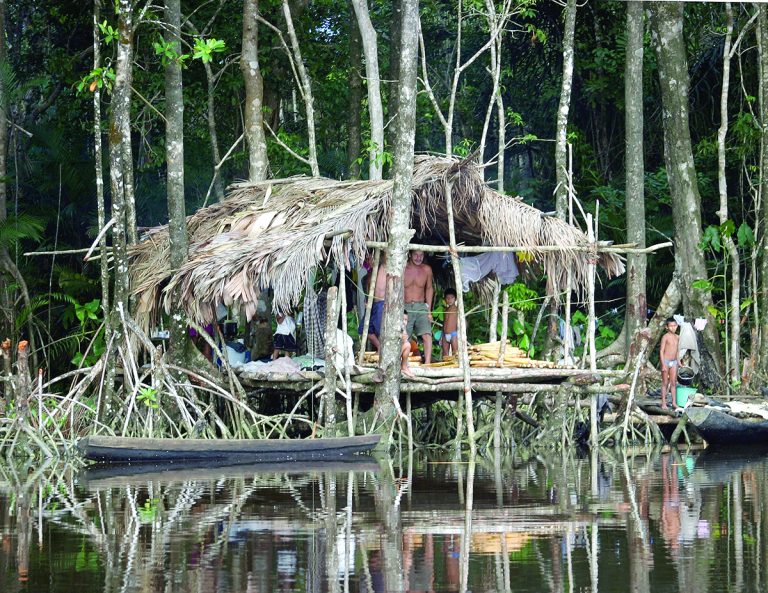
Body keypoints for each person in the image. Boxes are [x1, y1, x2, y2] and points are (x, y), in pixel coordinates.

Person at [404, 249, 435, 364]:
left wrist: (429, 310)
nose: (418, 257)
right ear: (410, 255)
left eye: (421, 255)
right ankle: (403, 363)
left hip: (421, 306)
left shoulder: (427, 270)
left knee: (427, 334)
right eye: (416, 255)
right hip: (405, 306)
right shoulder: (403, 268)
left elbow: (429, 288)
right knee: (404, 336)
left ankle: (427, 364)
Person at [359, 253, 387, 352]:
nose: (368, 261)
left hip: (381, 303)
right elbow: (368, 291)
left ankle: (384, 350)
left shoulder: (383, 267)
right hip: (371, 305)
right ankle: (380, 347)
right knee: (363, 328)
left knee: (380, 329)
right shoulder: (367, 276)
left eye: (370, 258)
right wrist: (366, 302)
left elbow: (385, 256)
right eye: (366, 259)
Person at [660, 317, 680, 411]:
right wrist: (663, 364)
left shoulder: (678, 337)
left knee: (673, 383)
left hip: (674, 362)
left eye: (674, 325)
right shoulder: (665, 337)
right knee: (665, 382)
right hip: (666, 361)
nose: (673, 328)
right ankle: (663, 403)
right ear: (666, 327)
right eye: (671, 326)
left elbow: (678, 351)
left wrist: (679, 361)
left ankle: (674, 402)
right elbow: (661, 351)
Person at [441, 288, 459, 358]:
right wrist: (442, 335)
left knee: (455, 352)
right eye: (447, 298)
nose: (449, 300)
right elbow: (444, 322)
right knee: (445, 353)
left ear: (455, 298)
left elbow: (463, 321)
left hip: (453, 334)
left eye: (452, 298)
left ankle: (457, 366)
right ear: (445, 299)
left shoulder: (457, 309)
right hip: (445, 334)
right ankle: (445, 367)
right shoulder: (445, 310)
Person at [401, 311, 413, 377]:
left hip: (399, 353)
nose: (404, 321)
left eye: (406, 320)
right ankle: (404, 367)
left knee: (407, 344)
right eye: (402, 319)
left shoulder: (404, 328)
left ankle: (406, 367)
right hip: (394, 354)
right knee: (407, 345)